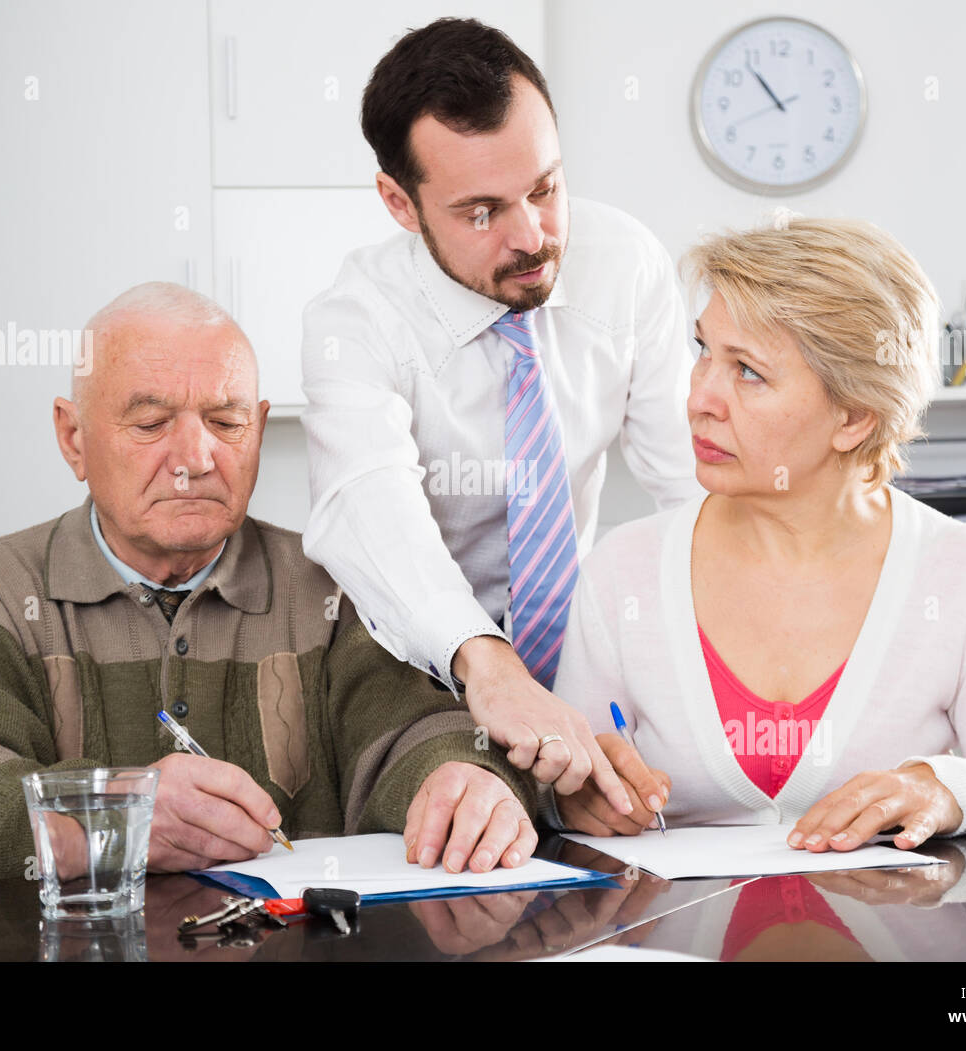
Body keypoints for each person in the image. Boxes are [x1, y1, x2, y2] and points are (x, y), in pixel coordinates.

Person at [0, 281, 538, 891]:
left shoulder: (333, 589)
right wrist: (111, 816)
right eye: (151, 422)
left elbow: (416, 729)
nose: (194, 459)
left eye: (225, 421)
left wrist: (459, 779)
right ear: (73, 438)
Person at [552, 217, 966, 847]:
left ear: (853, 419)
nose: (699, 397)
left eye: (748, 372)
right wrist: (573, 800)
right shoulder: (622, 571)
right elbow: (572, 816)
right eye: (704, 349)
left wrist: (956, 792)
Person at [300, 17, 700, 819]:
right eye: (482, 211)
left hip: (573, 648)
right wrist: (488, 664)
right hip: (416, 665)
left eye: (546, 189)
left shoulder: (624, 263)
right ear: (399, 203)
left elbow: (695, 485)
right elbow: (368, 507)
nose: (533, 237)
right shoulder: (356, 318)